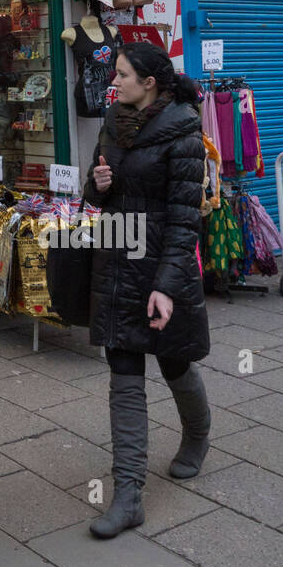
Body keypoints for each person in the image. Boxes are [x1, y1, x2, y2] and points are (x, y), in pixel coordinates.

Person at [82, 43, 211, 540]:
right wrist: (98, 183)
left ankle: (197, 435)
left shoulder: (184, 130)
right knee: (123, 369)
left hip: (161, 264)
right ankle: (129, 494)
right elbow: (95, 195)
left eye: (123, 75)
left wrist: (167, 287)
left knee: (174, 360)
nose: (115, 83)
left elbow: (185, 220)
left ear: (150, 82)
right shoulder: (114, 121)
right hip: (116, 260)